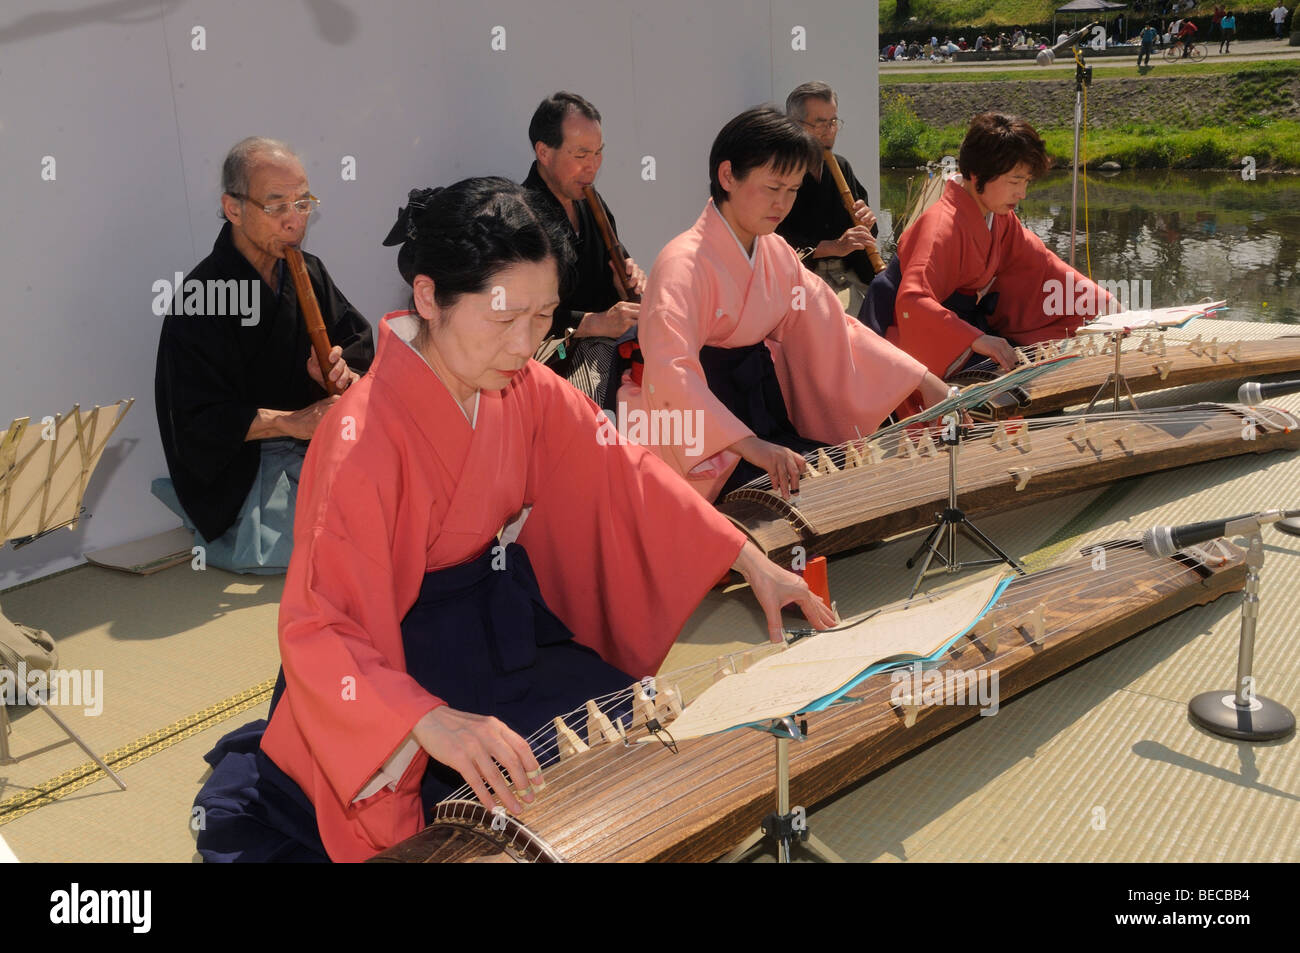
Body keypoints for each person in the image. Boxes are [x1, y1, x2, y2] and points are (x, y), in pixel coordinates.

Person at [191, 178, 835, 863]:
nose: (525, 345)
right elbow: (320, 623)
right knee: (492, 828)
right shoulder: (361, 439)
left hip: (497, 631)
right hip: (392, 659)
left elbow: (620, 467)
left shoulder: (518, 383)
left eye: (541, 317)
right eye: (504, 318)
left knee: (628, 742)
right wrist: (423, 719)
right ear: (430, 296)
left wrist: (747, 557)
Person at [617, 107, 949, 503]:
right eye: (773, 188)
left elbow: (831, 325)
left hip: (761, 412)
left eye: (792, 191)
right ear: (728, 176)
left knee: (843, 482)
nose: (783, 204)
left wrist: (921, 380)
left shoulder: (775, 252)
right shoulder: (681, 264)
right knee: (802, 498)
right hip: (703, 437)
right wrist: (751, 446)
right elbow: (672, 374)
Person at [154, 137, 372, 574]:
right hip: (248, 464)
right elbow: (195, 421)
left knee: (393, 516)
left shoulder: (307, 270)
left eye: (303, 202)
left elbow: (357, 345)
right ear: (233, 208)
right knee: (323, 554)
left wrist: (339, 374)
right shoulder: (203, 296)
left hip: (313, 449)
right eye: (276, 207)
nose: (295, 220)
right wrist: (291, 421)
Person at [859, 113, 1114, 381]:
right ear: (977, 174)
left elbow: (1042, 265)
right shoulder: (940, 227)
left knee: (1043, 359)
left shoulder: (1000, 218)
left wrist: (1105, 305)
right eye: (1015, 182)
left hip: (959, 325)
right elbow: (913, 302)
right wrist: (976, 339)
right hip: (911, 328)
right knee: (1011, 381)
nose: (1022, 194)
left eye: (1026, 182)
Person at [523, 91, 645, 408]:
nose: (592, 167)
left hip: (606, 342)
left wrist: (626, 282)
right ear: (544, 152)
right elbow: (520, 313)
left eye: (598, 154)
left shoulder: (589, 201)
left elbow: (616, 265)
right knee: (592, 405)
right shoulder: (522, 217)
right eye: (580, 156)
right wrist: (590, 323)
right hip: (554, 356)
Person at [776, 82, 879, 315]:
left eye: (833, 122)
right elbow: (772, 240)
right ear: (794, 125)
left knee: (896, 299)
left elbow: (867, 234)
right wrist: (832, 247)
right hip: (801, 279)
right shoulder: (779, 172)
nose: (829, 130)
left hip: (850, 275)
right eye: (820, 123)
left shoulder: (840, 166)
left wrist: (867, 224)